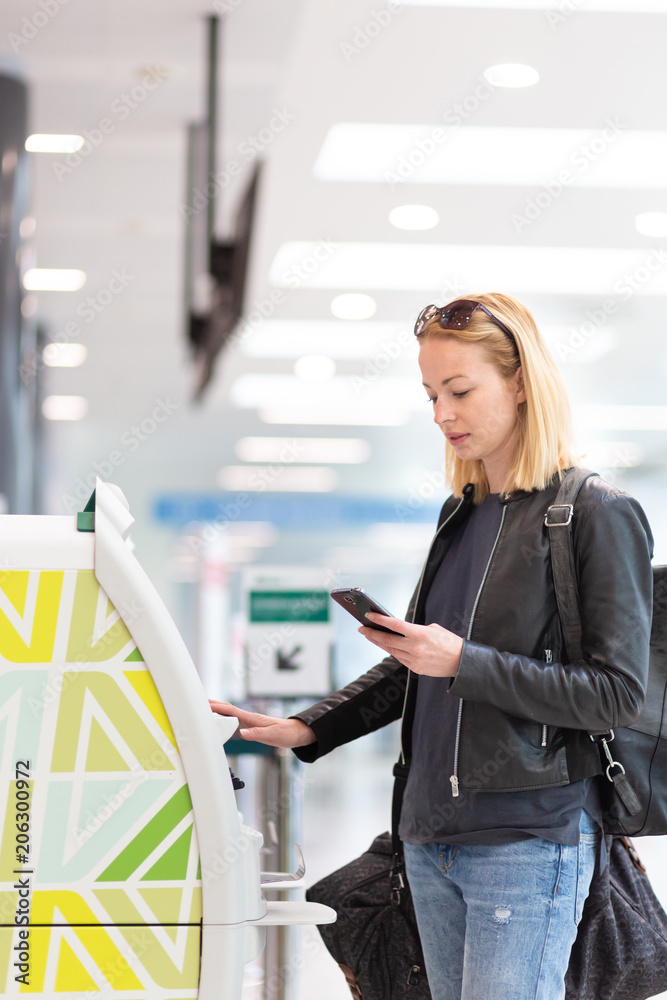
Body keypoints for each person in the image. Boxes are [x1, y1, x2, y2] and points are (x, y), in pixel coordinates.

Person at [210, 293, 654, 1000]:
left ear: (519, 383)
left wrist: (464, 662)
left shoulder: (594, 513)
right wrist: (307, 727)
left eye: (459, 391)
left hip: (526, 838)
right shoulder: (461, 515)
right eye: (430, 395)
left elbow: (616, 693)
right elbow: (414, 665)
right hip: (427, 838)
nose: (442, 414)